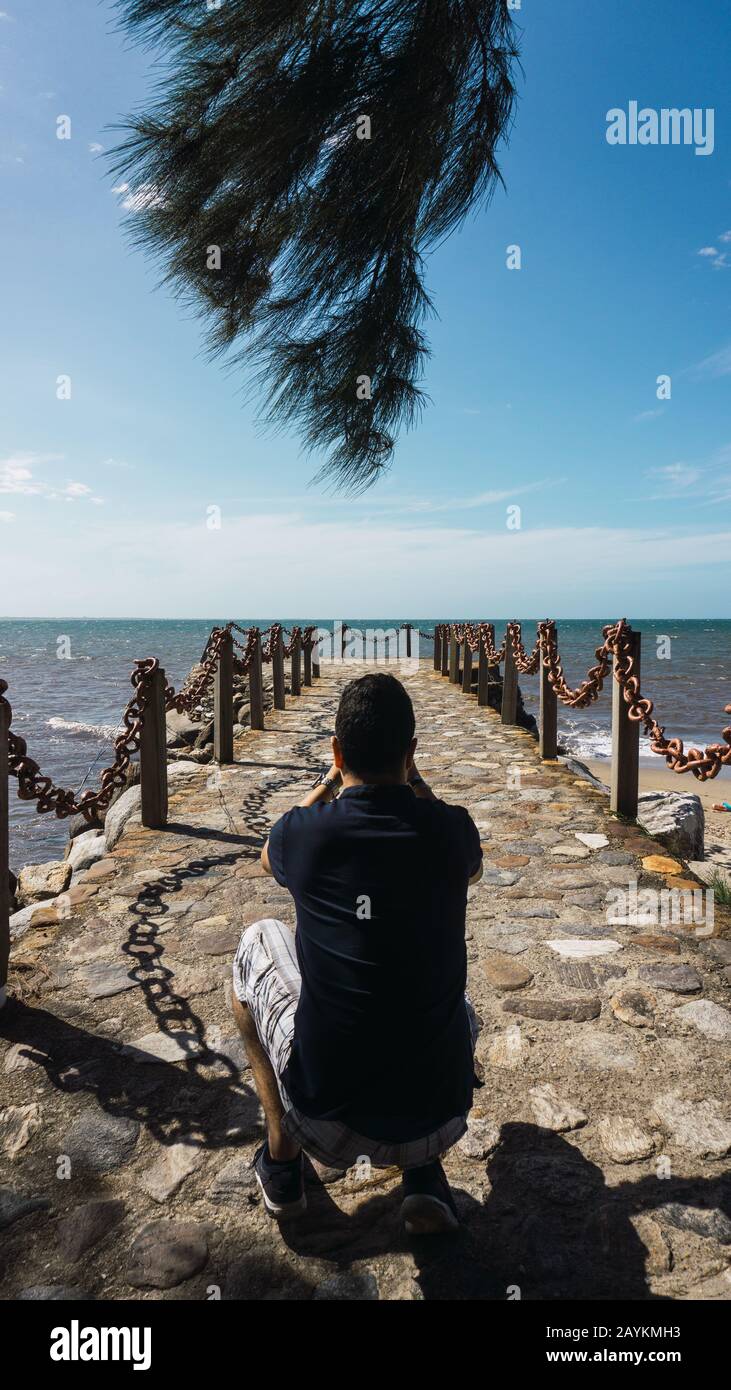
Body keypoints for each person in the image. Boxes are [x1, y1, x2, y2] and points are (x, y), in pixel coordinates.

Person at [232, 671, 483, 1234]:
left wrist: (327, 780)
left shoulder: (307, 833)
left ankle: (282, 1160)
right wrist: (417, 782)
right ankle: (423, 1174)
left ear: (339, 751)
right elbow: (471, 862)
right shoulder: (451, 831)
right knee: (456, 1002)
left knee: (255, 941)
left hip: (326, 1121)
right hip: (440, 1117)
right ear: (411, 752)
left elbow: (269, 854)